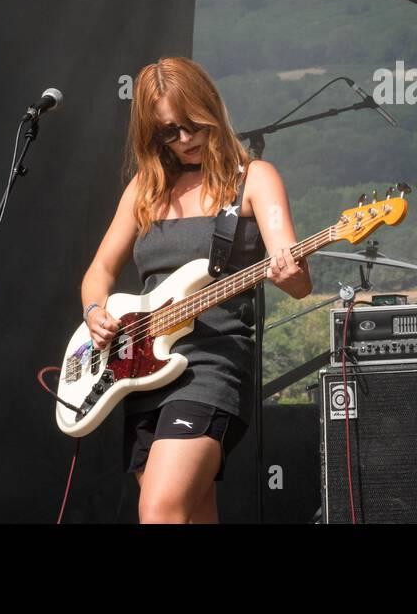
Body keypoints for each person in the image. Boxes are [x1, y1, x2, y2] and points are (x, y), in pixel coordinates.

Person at [79, 56, 311, 523]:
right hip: (140, 371)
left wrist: (291, 273)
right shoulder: (144, 189)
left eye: (192, 125)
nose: (184, 140)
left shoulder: (253, 179)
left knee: (161, 508)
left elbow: (298, 278)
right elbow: (99, 271)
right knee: (192, 514)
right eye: (168, 131)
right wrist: (94, 312)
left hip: (211, 367)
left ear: (211, 112)